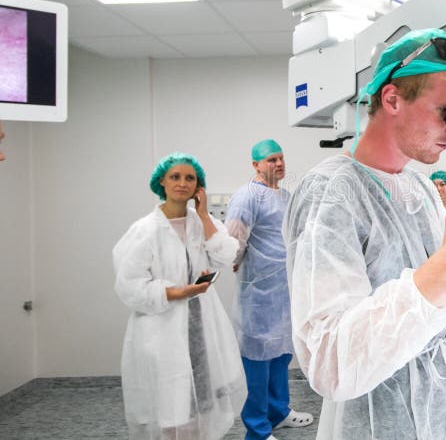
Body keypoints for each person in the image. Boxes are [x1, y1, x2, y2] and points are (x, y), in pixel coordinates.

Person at [282, 28, 446, 440]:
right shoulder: (332, 192)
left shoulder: (420, 188)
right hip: (382, 418)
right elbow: (329, 362)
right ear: (392, 99)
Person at [112, 152, 246, 440]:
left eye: (190, 178)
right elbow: (129, 286)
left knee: (202, 399)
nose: (182, 183)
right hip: (162, 329)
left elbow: (227, 253)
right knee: (170, 402)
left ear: (198, 186)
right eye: (175, 177)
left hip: (201, 327)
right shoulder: (145, 230)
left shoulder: (202, 222)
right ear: (161, 181)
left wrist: (204, 214)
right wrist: (177, 291)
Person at [226, 140, 313, 440]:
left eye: (281, 158)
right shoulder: (247, 196)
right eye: (271, 159)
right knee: (257, 360)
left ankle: (279, 412)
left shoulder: (286, 196)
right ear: (256, 165)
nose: (279, 164)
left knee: (280, 354)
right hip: (259, 293)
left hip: (284, 290)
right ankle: (258, 429)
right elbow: (234, 239)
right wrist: (236, 260)